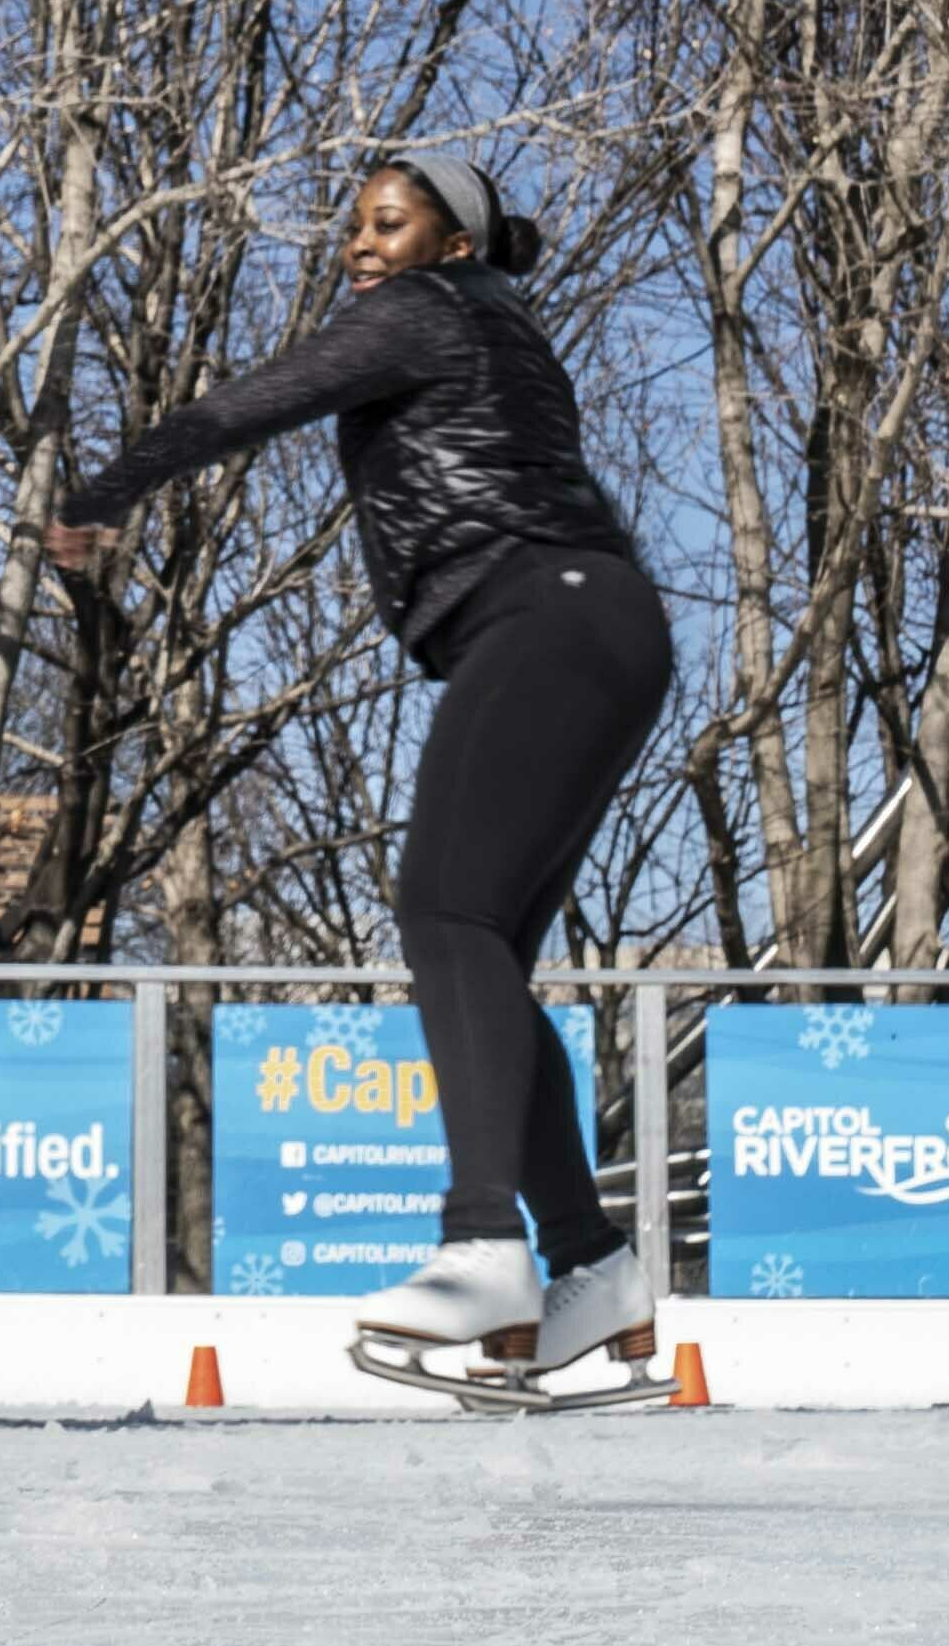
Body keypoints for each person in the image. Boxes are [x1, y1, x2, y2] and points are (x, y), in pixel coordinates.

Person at [47, 153, 670, 1384]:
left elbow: (251, 401)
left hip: (538, 610)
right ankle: (593, 1269)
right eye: (353, 227)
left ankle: (485, 1239)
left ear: (452, 245)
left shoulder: (430, 311)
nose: (359, 245)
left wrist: (108, 488)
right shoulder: (502, 330)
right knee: (484, 945)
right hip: (603, 620)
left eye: (388, 222)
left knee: (443, 913)